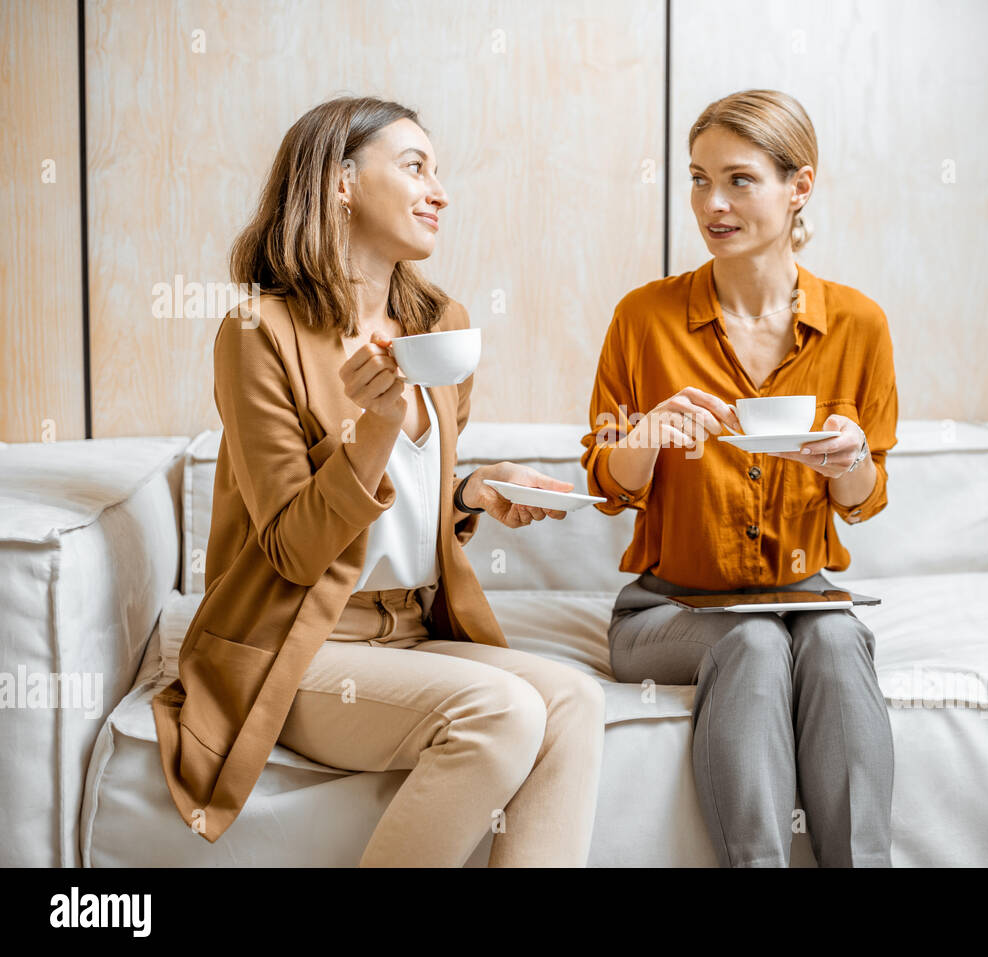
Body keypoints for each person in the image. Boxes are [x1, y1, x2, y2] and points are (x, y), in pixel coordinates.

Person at [153, 96, 604, 866]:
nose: (440, 191)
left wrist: (474, 491)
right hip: (301, 644)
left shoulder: (440, 320)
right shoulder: (260, 331)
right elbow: (293, 552)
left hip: (413, 632)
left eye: (438, 171)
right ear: (341, 182)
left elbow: (419, 496)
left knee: (573, 700)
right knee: (500, 711)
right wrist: (374, 428)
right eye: (415, 167)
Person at [580, 89, 898, 867]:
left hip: (806, 593)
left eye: (738, 180)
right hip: (668, 607)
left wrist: (851, 460)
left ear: (800, 186)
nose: (711, 203)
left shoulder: (858, 324)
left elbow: (864, 500)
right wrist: (645, 438)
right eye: (697, 180)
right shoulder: (643, 318)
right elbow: (605, 481)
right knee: (753, 641)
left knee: (835, 637)